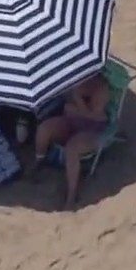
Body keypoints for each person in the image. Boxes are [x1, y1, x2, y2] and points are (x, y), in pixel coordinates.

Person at [28, 74, 110, 209]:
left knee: (72, 148)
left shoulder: (101, 88)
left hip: (91, 129)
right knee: (44, 128)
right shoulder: (74, 79)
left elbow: (96, 116)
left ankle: (71, 195)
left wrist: (78, 101)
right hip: (71, 122)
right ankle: (39, 161)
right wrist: (75, 105)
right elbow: (66, 107)